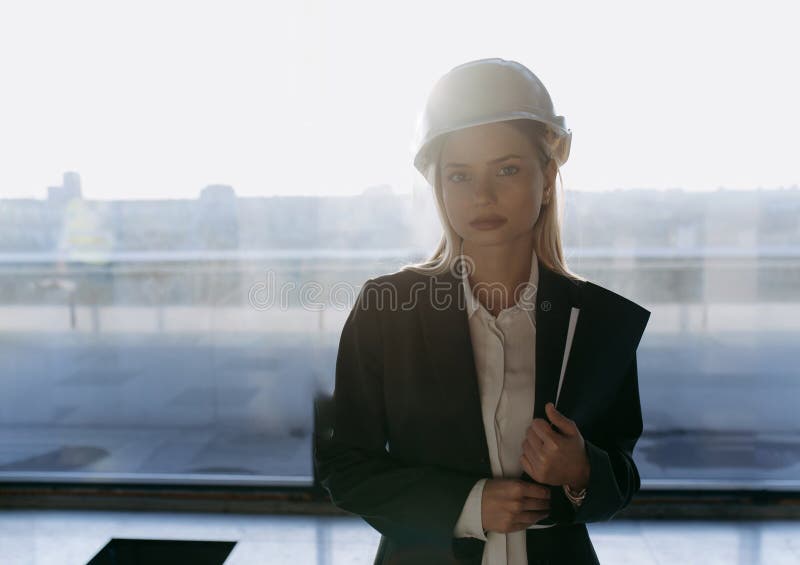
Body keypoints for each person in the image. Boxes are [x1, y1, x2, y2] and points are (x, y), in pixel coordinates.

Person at [314, 58, 651, 565]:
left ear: (548, 174)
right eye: (460, 175)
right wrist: (470, 506)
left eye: (508, 169)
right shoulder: (387, 311)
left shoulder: (600, 321)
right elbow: (344, 467)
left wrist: (582, 471)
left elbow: (621, 478)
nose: (483, 195)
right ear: (439, 187)